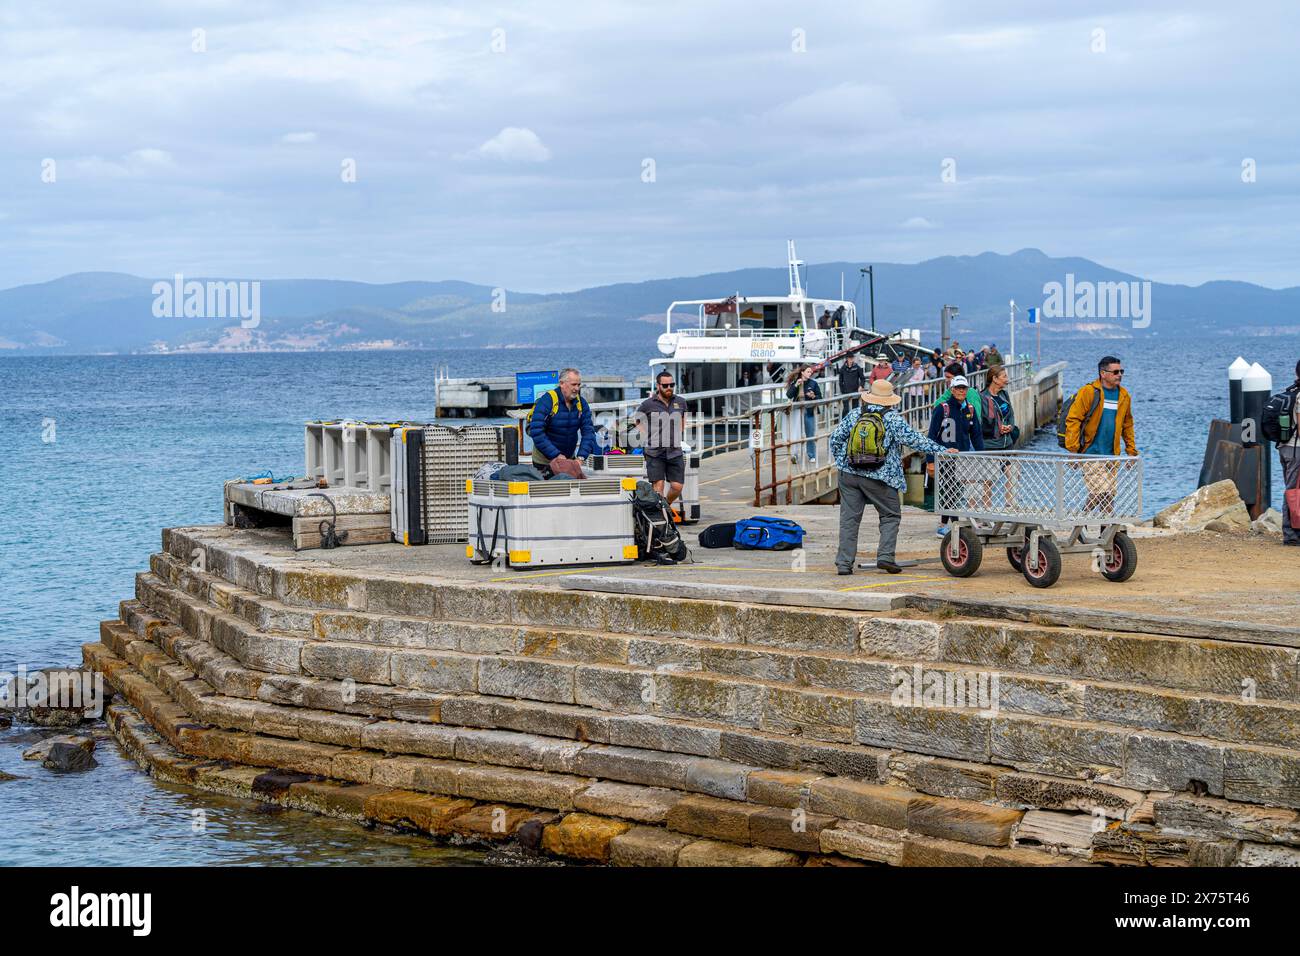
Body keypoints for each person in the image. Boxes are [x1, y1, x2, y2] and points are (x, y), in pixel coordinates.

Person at [831, 379, 952, 575]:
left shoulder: (855, 414)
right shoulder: (892, 418)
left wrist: (844, 462)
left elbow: (835, 439)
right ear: (890, 400)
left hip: (849, 473)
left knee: (849, 520)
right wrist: (942, 450)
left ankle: (844, 564)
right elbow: (915, 440)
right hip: (880, 475)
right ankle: (885, 556)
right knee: (890, 515)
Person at [1063, 355, 1138, 513]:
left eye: (1121, 371)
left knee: (1109, 495)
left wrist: (1131, 451)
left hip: (1112, 455)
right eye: (1116, 372)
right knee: (1101, 493)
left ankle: (1106, 532)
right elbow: (1073, 420)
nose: (1120, 375)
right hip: (1091, 453)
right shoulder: (1089, 392)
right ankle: (1081, 523)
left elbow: (1127, 425)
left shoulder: (1124, 396)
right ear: (1103, 373)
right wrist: (1073, 451)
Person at [928, 375, 984, 536]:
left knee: (956, 491)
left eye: (963, 388)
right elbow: (931, 435)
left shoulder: (970, 409)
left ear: (967, 390)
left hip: (962, 457)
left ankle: (945, 524)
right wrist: (930, 460)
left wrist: (983, 456)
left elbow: (977, 436)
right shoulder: (942, 408)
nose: (961, 391)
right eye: (958, 388)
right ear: (951, 389)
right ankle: (952, 524)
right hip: (944, 457)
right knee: (948, 490)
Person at [636, 370, 689, 519]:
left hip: (675, 451)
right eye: (665, 385)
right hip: (654, 452)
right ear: (658, 386)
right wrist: (649, 435)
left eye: (672, 384)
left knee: (677, 486)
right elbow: (638, 421)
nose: (669, 388)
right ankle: (660, 518)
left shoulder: (681, 402)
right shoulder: (647, 404)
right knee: (658, 487)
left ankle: (664, 506)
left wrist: (679, 433)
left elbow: (683, 419)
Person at [528, 367, 597, 474]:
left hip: (569, 459)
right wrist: (556, 455)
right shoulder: (547, 401)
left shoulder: (581, 404)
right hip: (544, 461)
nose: (577, 388)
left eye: (579, 385)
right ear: (561, 383)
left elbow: (588, 432)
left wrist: (581, 457)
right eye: (573, 384)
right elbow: (536, 432)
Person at [1276, 359, 1300, 546]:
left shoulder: (1290, 392)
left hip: (1285, 447)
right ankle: (1290, 535)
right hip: (1296, 449)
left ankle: (1292, 531)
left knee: (1292, 489)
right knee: (1293, 491)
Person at [786, 364, 821, 464]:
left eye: (811, 372)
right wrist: (796, 385)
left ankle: (811, 455)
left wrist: (813, 396)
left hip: (809, 412)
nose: (810, 373)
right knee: (796, 434)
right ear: (802, 372)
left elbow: (820, 397)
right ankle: (795, 455)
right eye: (808, 372)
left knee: (810, 434)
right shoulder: (797, 382)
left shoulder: (813, 384)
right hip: (797, 412)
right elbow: (789, 395)